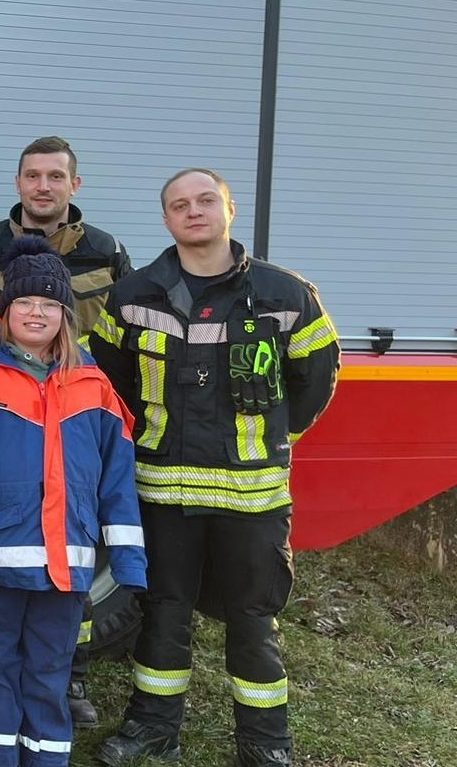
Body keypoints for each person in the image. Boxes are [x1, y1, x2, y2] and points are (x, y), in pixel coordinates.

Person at [93, 169, 340, 767]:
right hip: (162, 489)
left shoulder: (286, 295)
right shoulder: (132, 296)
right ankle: (153, 728)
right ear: (166, 220)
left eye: (206, 200)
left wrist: (272, 439)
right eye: (180, 204)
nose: (193, 211)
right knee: (163, 613)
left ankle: (264, 744)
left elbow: (317, 377)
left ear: (229, 209)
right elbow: (109, 381)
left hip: (252, 495)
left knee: (252, 620)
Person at [0, 236, 146, 767]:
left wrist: (131, 562)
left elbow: (117, 484)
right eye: (24, 301)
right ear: (6, 311)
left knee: (49, 675)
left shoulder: (94, 387)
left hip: (63, 570)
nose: (37, 312)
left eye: (50, 304)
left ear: (66, 315)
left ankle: (48, 759)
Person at [0, 135, 132, 725]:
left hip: (77, 417)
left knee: (73, 554)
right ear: (18, 183)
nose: (43, 186)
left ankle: (70, 678)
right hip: (0, 413)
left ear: (73, 185)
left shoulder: (107, 253)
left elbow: (126, 338)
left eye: (55, 176)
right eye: (32, 175)